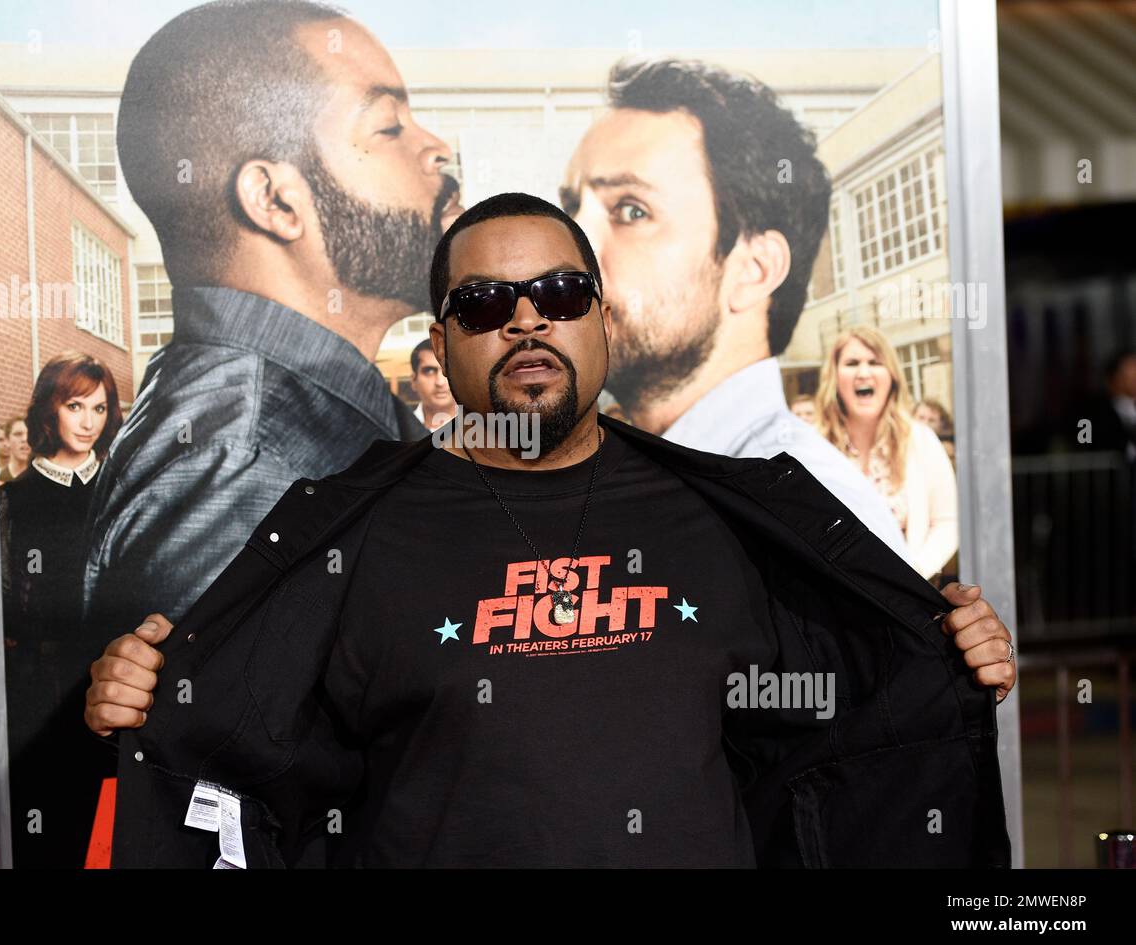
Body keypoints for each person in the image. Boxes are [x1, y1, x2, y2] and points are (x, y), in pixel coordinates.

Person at [87, 195, 1015, 868]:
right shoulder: (347, 534)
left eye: (562, 294)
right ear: (443, 344)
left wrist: (944, 655)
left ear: (603, 322)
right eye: (486, 304)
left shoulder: (733, 518)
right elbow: (246, 760)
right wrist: (156, 696)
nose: (528, 319)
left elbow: (838, 731)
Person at [83, 0, 464, 643]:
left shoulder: (279, 428)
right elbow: (233, 740)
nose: (438, 148)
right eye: (388, 125)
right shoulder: (243, 468)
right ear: (276, 199)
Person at [561, 58, 907, 560]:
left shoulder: (811, 513)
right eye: (571, 209)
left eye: (631, 210)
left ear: (754, 270)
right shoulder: (629, 474)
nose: (572, 247)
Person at [0, 352, 122, 868]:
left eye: (99, 408)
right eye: (76, 406)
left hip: (113, 685)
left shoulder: (121, 492)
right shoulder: (13, 500)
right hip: (39, 689)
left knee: (111, 832)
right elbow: (4, 603)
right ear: (51, 410)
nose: (89, 421)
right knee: (47, 834)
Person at [816, 328, 957, 581]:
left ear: (892, 375)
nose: (863, 372)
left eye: (874, 363)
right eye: (851, 363)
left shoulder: (919, 439)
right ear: (834, 377)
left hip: (905, 601)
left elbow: (947, 521)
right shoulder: (814, 447)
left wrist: (915, 573)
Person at [408, 338, 455, 430]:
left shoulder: (482, 428)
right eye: (429, 371)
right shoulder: (400, 431)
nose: (440, 382)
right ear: (414, 380)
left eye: (447, 370)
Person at [914, 397, 956, 465]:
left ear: (941, 424)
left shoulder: (945, 450)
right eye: (921, 418)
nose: (925, 423)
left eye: (931, 420)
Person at [0, 416, 30, 485]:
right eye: (18, 434)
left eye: (29, 434)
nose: (25, 439)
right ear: (7, 440)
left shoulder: (43, 478)